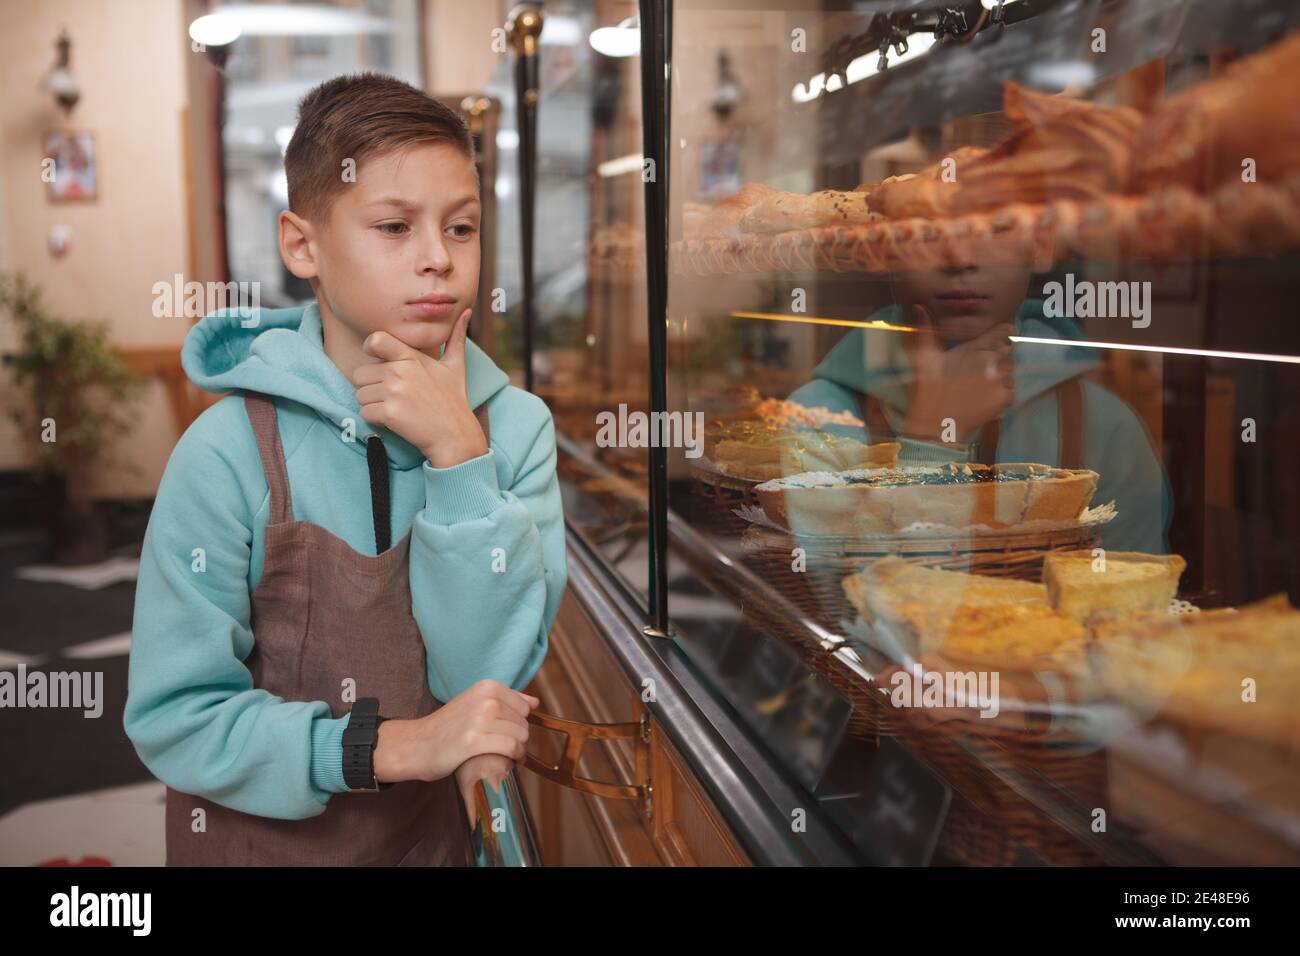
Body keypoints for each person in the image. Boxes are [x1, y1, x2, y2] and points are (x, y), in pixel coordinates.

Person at [123, 74, 567, 865]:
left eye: (461, 228)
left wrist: (459, 459)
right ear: (303, 245)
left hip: (433, 844)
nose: (437, 259)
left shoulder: (517, 432)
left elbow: (484, 681)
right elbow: (178, 715)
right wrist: (386, 747)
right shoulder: (226, 451)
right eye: (395, 226)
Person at [787, 259, 1171, 554]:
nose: (961, 257)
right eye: (929, 232)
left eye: (996, 226)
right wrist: (931, 437)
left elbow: (1135, 617)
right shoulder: (816, 419)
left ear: (1040, 243)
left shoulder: (1101, 423)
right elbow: (841, 619)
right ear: (885, 250)